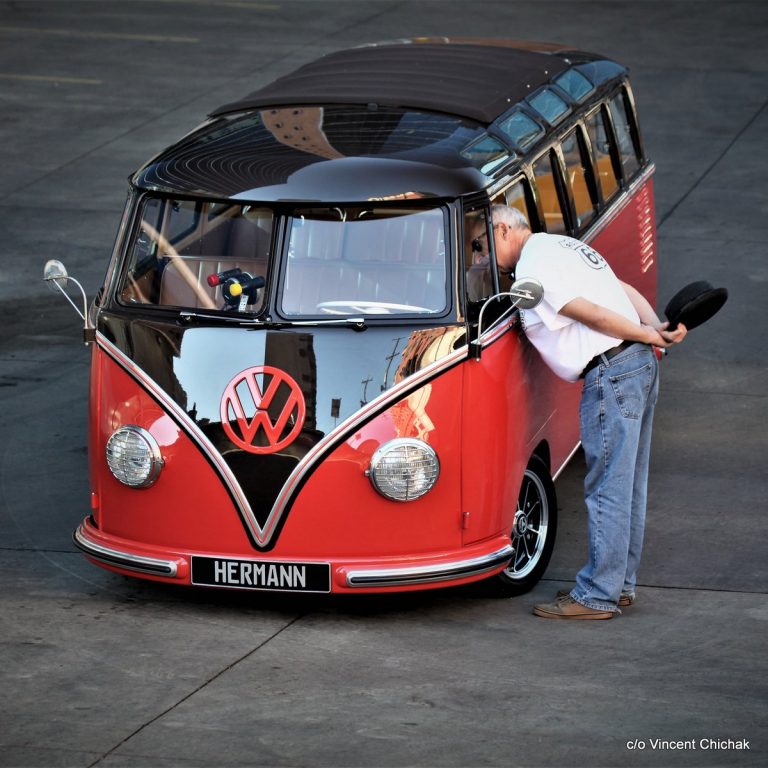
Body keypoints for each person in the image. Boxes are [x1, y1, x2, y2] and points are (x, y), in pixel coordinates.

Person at [487, 204, 687, 620]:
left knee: (607, 487)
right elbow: (623, 290)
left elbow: (587, 312)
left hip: (611, 371)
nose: (480, 256)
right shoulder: (561, 246)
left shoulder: (531, 269)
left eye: (479, 242)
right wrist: (657, 331)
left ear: (503, 228)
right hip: (637, 363)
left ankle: (597, 595)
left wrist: (648, 332)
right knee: (629, 483)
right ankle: (619, 584)